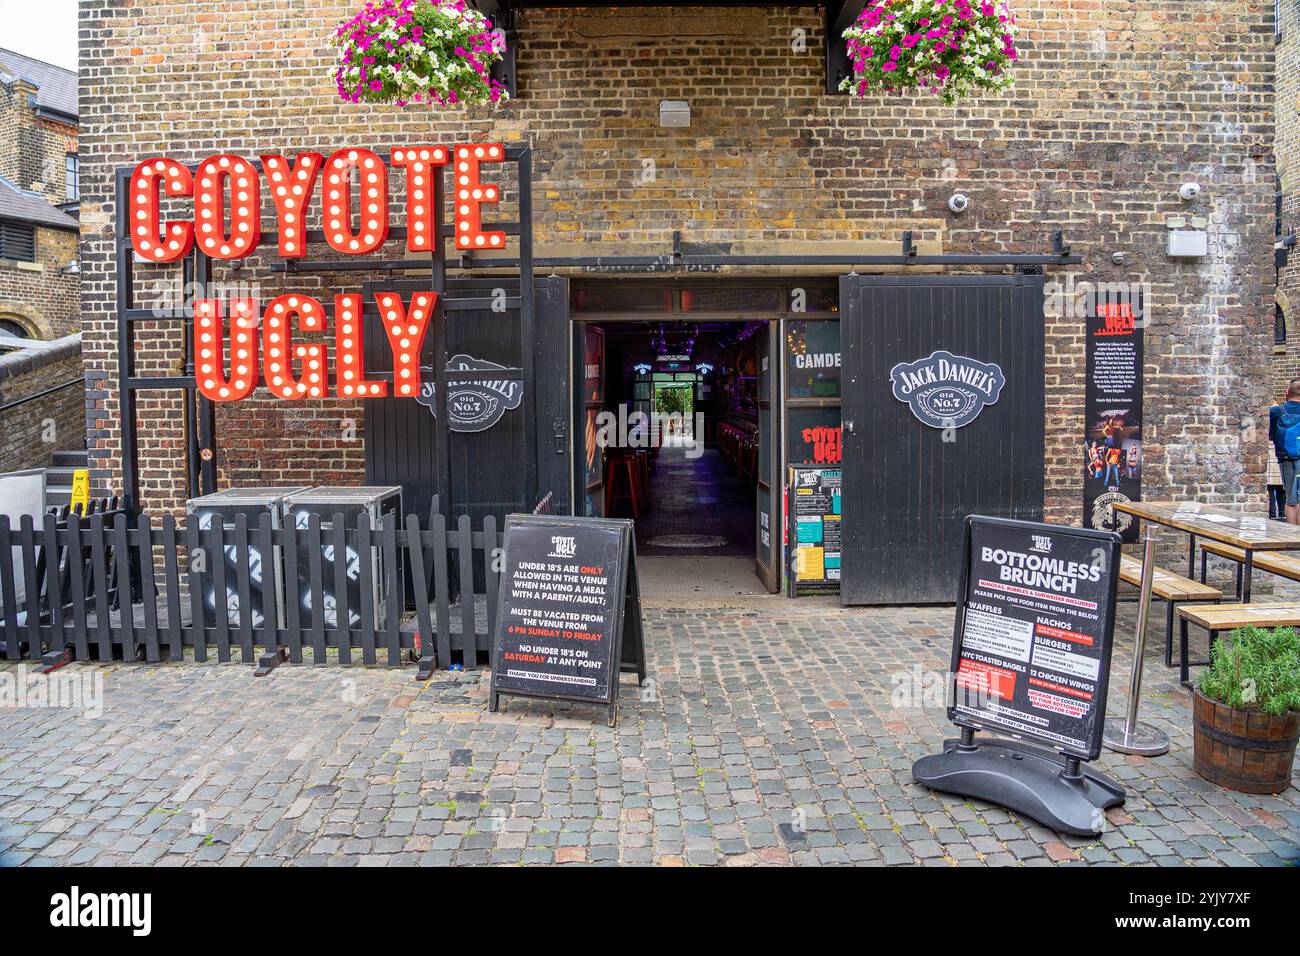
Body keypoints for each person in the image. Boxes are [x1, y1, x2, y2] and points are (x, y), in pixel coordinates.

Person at [1268, 379, 1300, 525]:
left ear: (1287, 393)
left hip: (1286, 458)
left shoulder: (1276, 411)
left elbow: (1271, 435)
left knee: (1291, 499)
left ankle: (1292, 538)